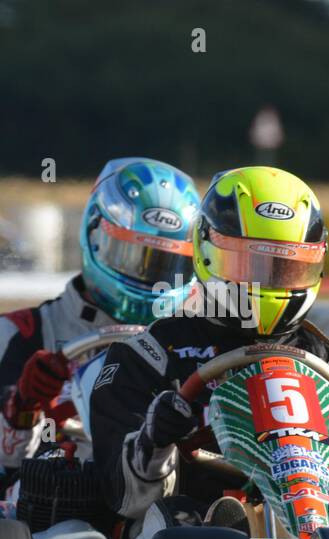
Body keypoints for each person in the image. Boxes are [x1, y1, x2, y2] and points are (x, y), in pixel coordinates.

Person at [91, 166, 329, 537]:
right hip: (187, 535)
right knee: (187, 527)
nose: (267, 283)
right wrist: (156, 439)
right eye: (250, 265)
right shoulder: (148, 357)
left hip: (315, 538)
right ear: (208, 251)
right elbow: (125, 499)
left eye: (285, 268)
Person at [0, 158, 200, 472]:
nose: (146, 276)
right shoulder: (20, 335)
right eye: (133, 256)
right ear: (95, 234)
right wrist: (22, 408)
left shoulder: (193, 345)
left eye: (163, 264)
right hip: (54, 505)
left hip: (162, 506)